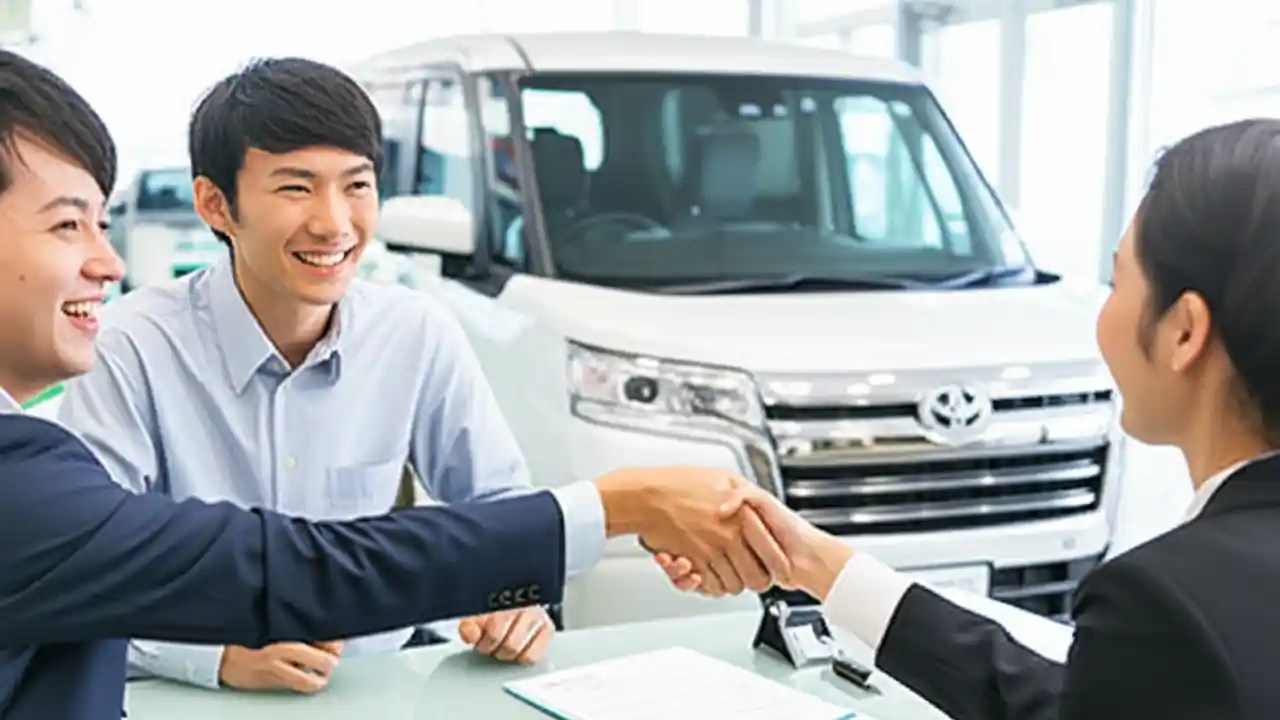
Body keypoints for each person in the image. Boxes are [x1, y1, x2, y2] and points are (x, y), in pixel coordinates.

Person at [0, 49, 783, 720]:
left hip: (389, 691)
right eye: (296, 187)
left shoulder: (415, 330)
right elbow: (101, 572)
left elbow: (494, 512)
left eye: (358, 185)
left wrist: (508, 603)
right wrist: (215, 655)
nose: (334, 222)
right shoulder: (127, 347)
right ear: (216, 204)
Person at [669, 119, 1280, 719]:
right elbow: (1070, 702)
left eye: (1116, 281)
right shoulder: (1199, 607)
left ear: (1185, 331)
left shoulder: (1163, 601)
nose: (1104, 311)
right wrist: (818, 565)